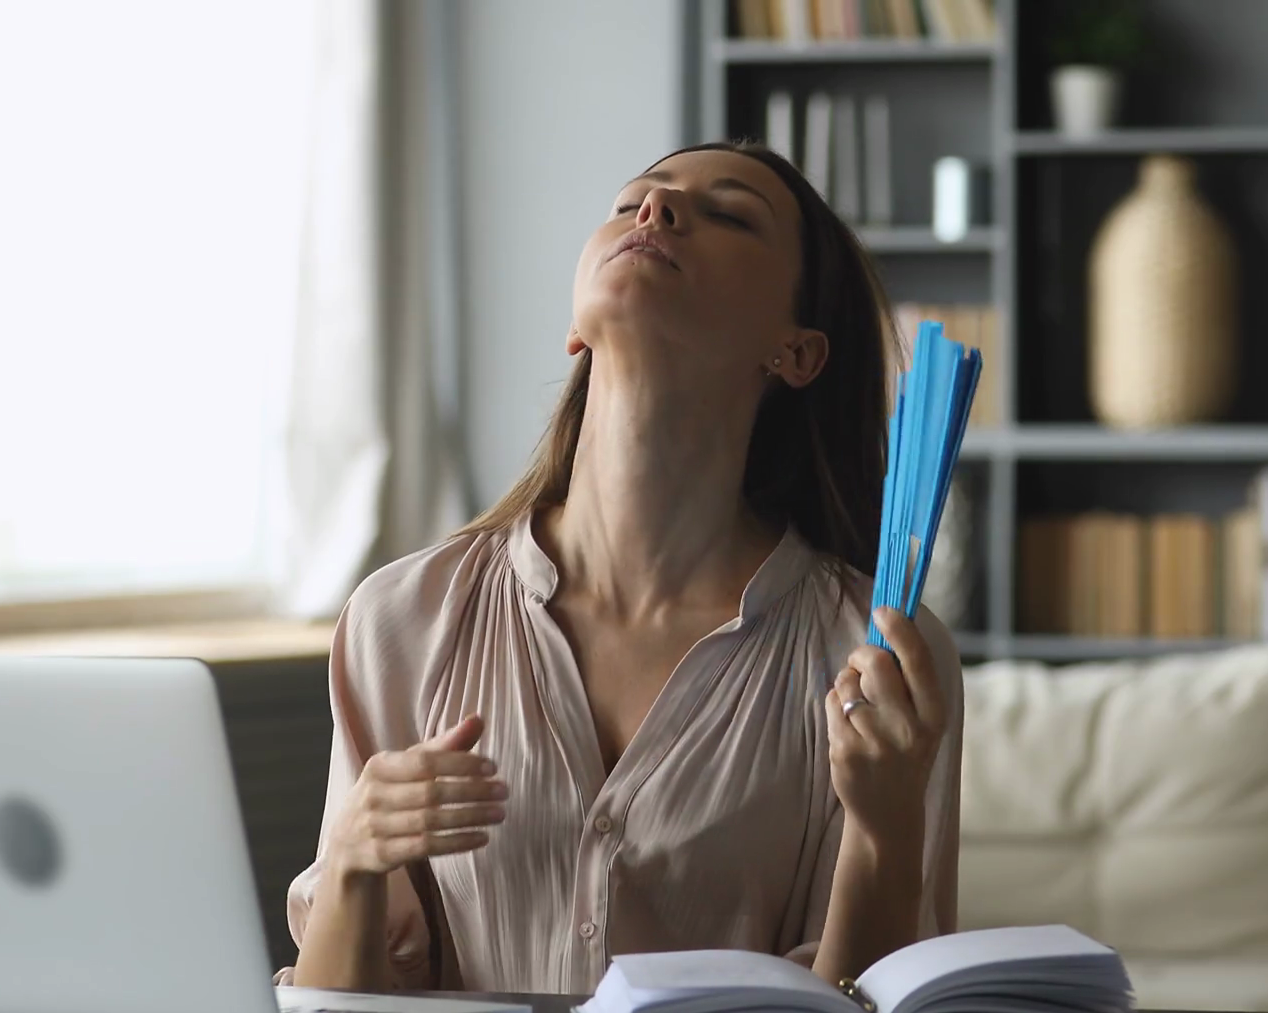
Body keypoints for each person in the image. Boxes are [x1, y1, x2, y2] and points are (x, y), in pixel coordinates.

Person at [279, 140, 964, 998]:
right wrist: (349, 860)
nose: (656, 211)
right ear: (575, 325)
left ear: (797, 353)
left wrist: (886, 835)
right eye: (634, 198)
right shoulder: (401, 618)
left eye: (728, 215)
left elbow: (865, 998)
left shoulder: (873, 656)